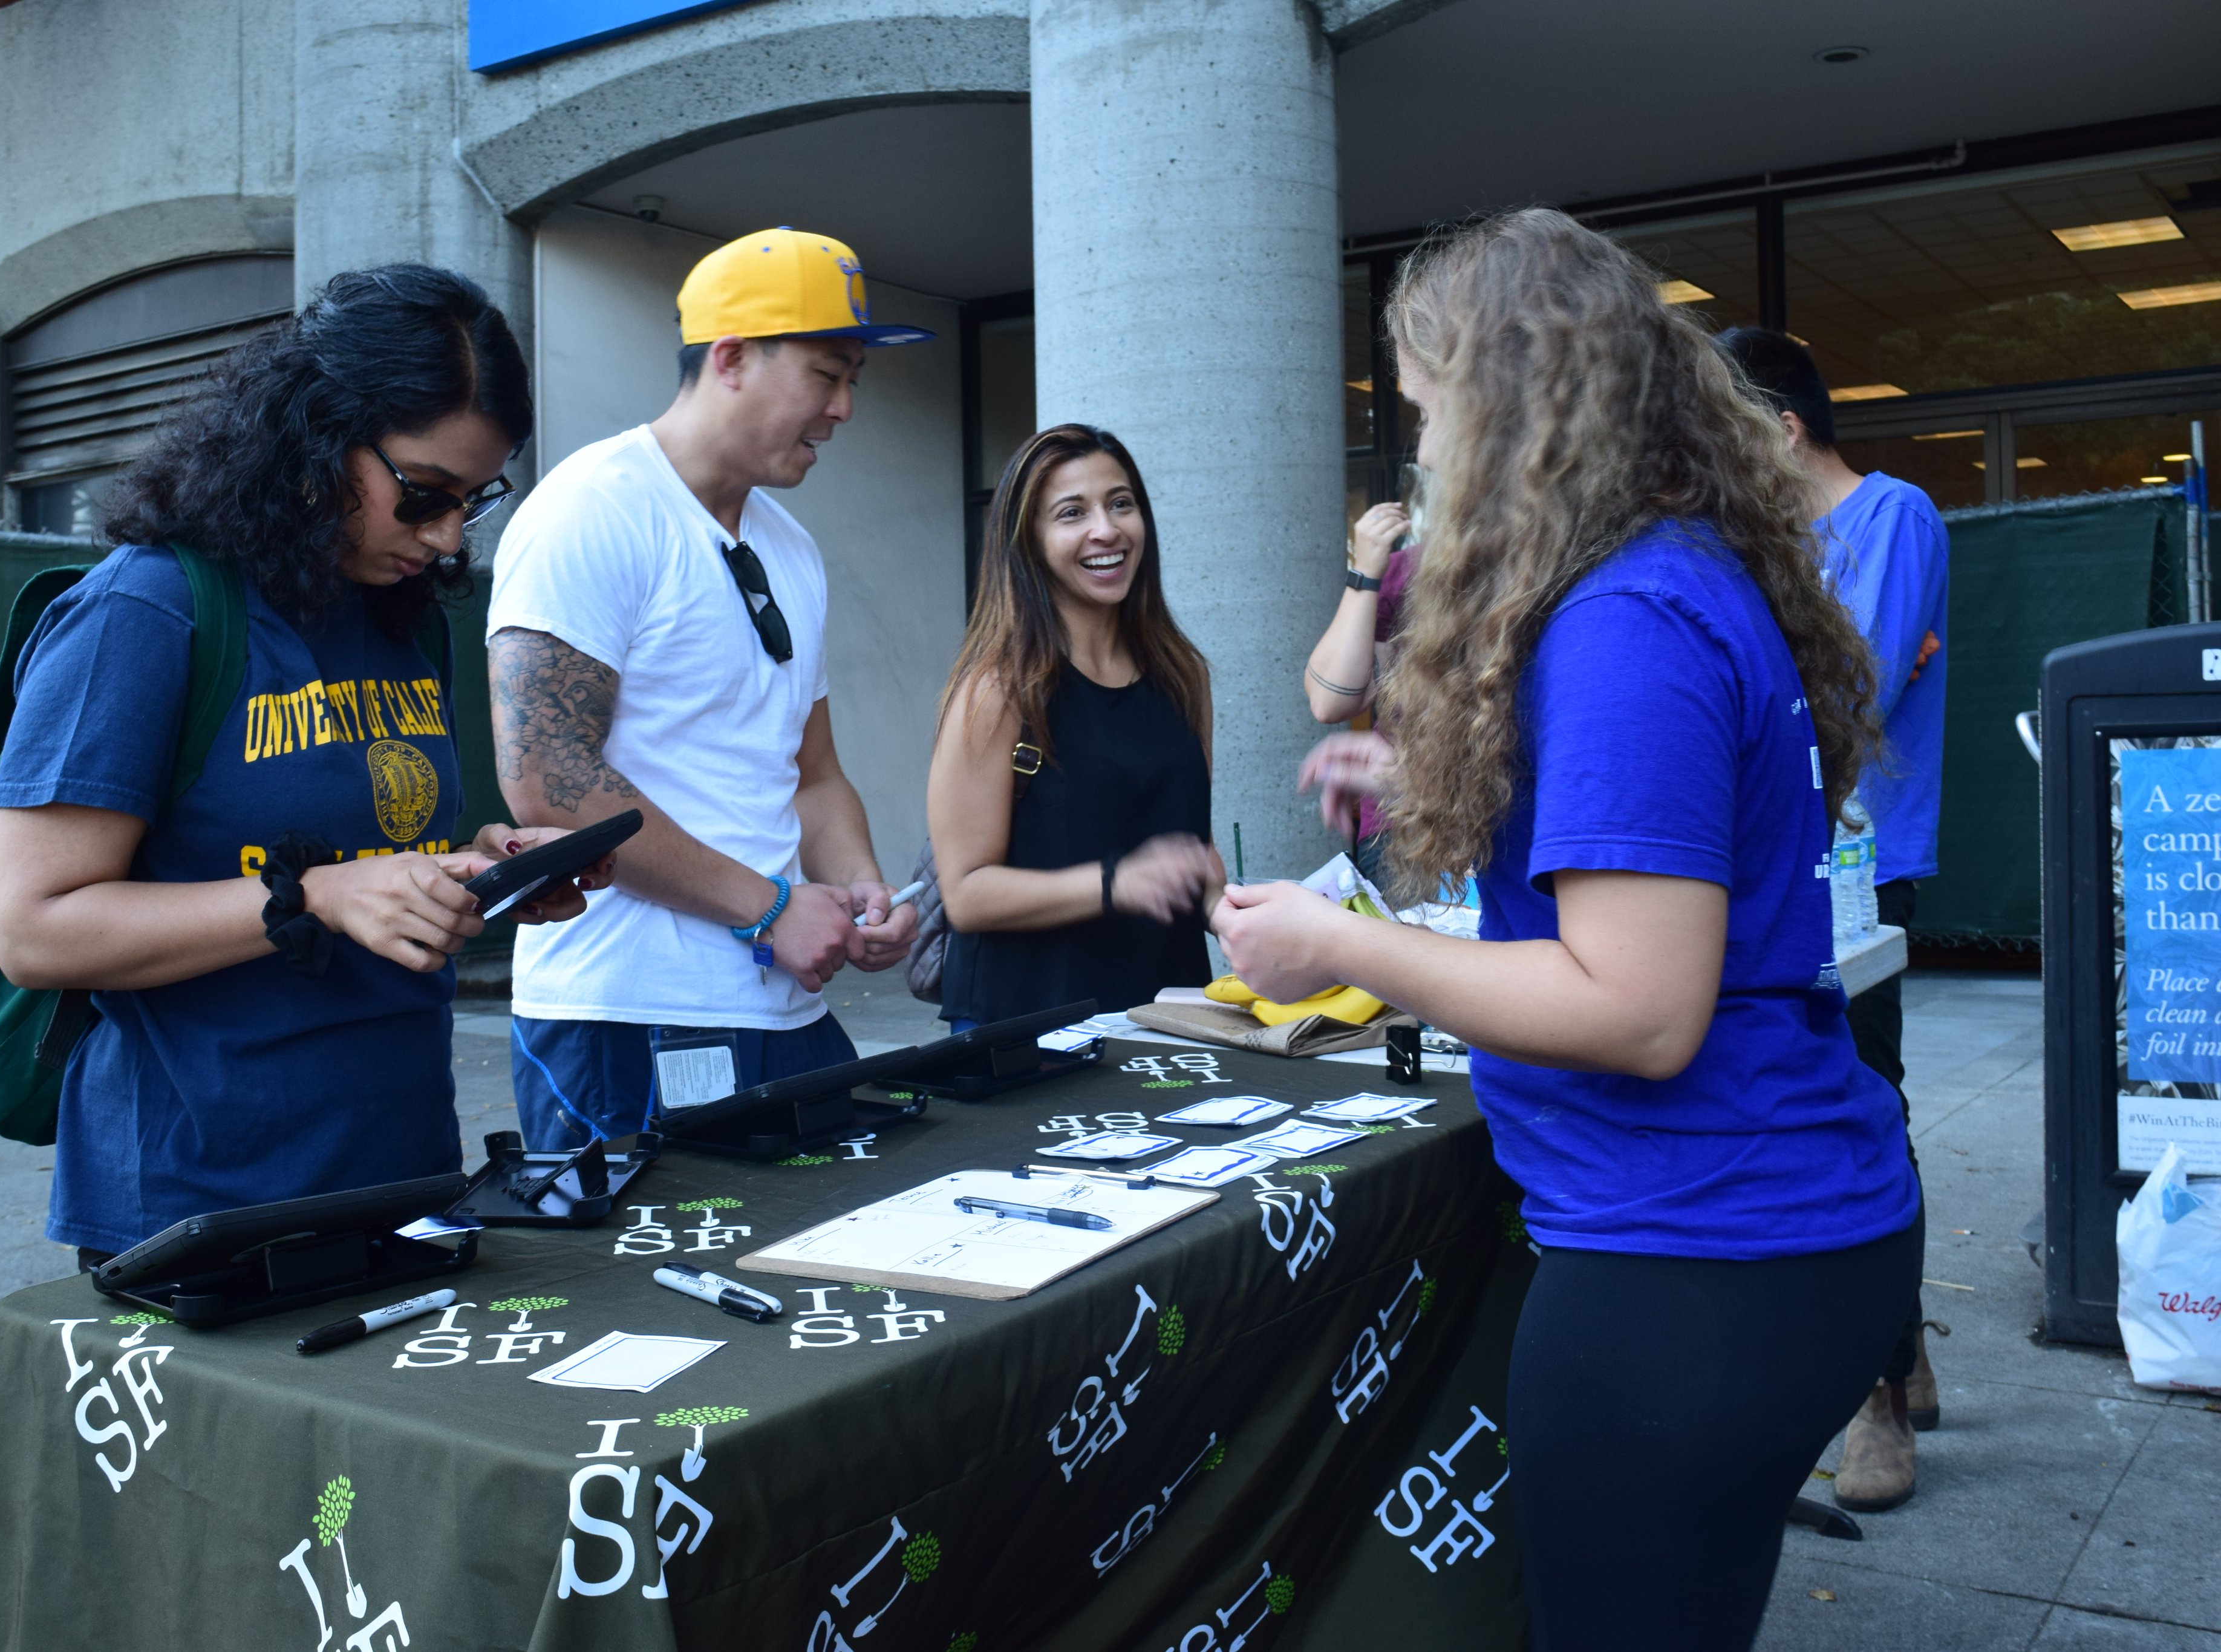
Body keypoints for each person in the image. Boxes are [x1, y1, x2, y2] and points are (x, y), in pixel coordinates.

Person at [1211, 209, 1922, 1650]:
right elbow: (1668, 828)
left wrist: (1334, 945)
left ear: (1509, 410)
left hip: (1698, 1253)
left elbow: (1637, 1009)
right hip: (1770, 1230)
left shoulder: (1622, 619)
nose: (1421, 455)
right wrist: (1442, 781)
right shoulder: (1678, 580)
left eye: (1426, 411)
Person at [0, 265, 602, 1264]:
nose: (447, 537)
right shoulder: (144, 612)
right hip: (206, 1207)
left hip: (404, 1172)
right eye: (422, 495)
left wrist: (478, 868)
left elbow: (373, 856)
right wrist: (314, 898)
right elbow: (35, 929)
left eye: (472, 502)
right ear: (314, 437)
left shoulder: (399, 619)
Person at [485, 228, 924, 1147]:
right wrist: (768, 906)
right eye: (826, 374)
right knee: (640, 1287)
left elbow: (812, 772)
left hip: (781, 1003)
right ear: (730, 358)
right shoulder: (591, 506)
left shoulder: (791, 545)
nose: (844, 407)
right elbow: (546, 777)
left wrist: (859, 890)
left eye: (854, 381)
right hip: (620, 1009)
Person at [1719, 324, 1951, 1512]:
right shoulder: (1757, 545)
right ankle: (1893, 1351)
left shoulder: (1892, 515)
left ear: (1781, 427)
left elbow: (1848, 691)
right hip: (1775, 863)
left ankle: (1875, 1394)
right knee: (1828, 1101)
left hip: (1858, 872)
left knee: (1864, 1107)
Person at [925, 425, 1224, 1028]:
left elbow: (1186, 848)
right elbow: (965, 893)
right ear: (1029, 541)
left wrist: (1232, 906)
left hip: (1167, 1017)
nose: (1106, 529)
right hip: (1026, 1029)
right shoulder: (998, 688)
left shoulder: (1182, 673)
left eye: (1121, 503)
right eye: (1071, 513)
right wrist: (1115, 882)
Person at [1299, 495, 1414, 889]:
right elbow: (1330, 701)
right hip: (1404, 823)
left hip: (1504, 817)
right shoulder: (1404, 572)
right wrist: (1365, 572)